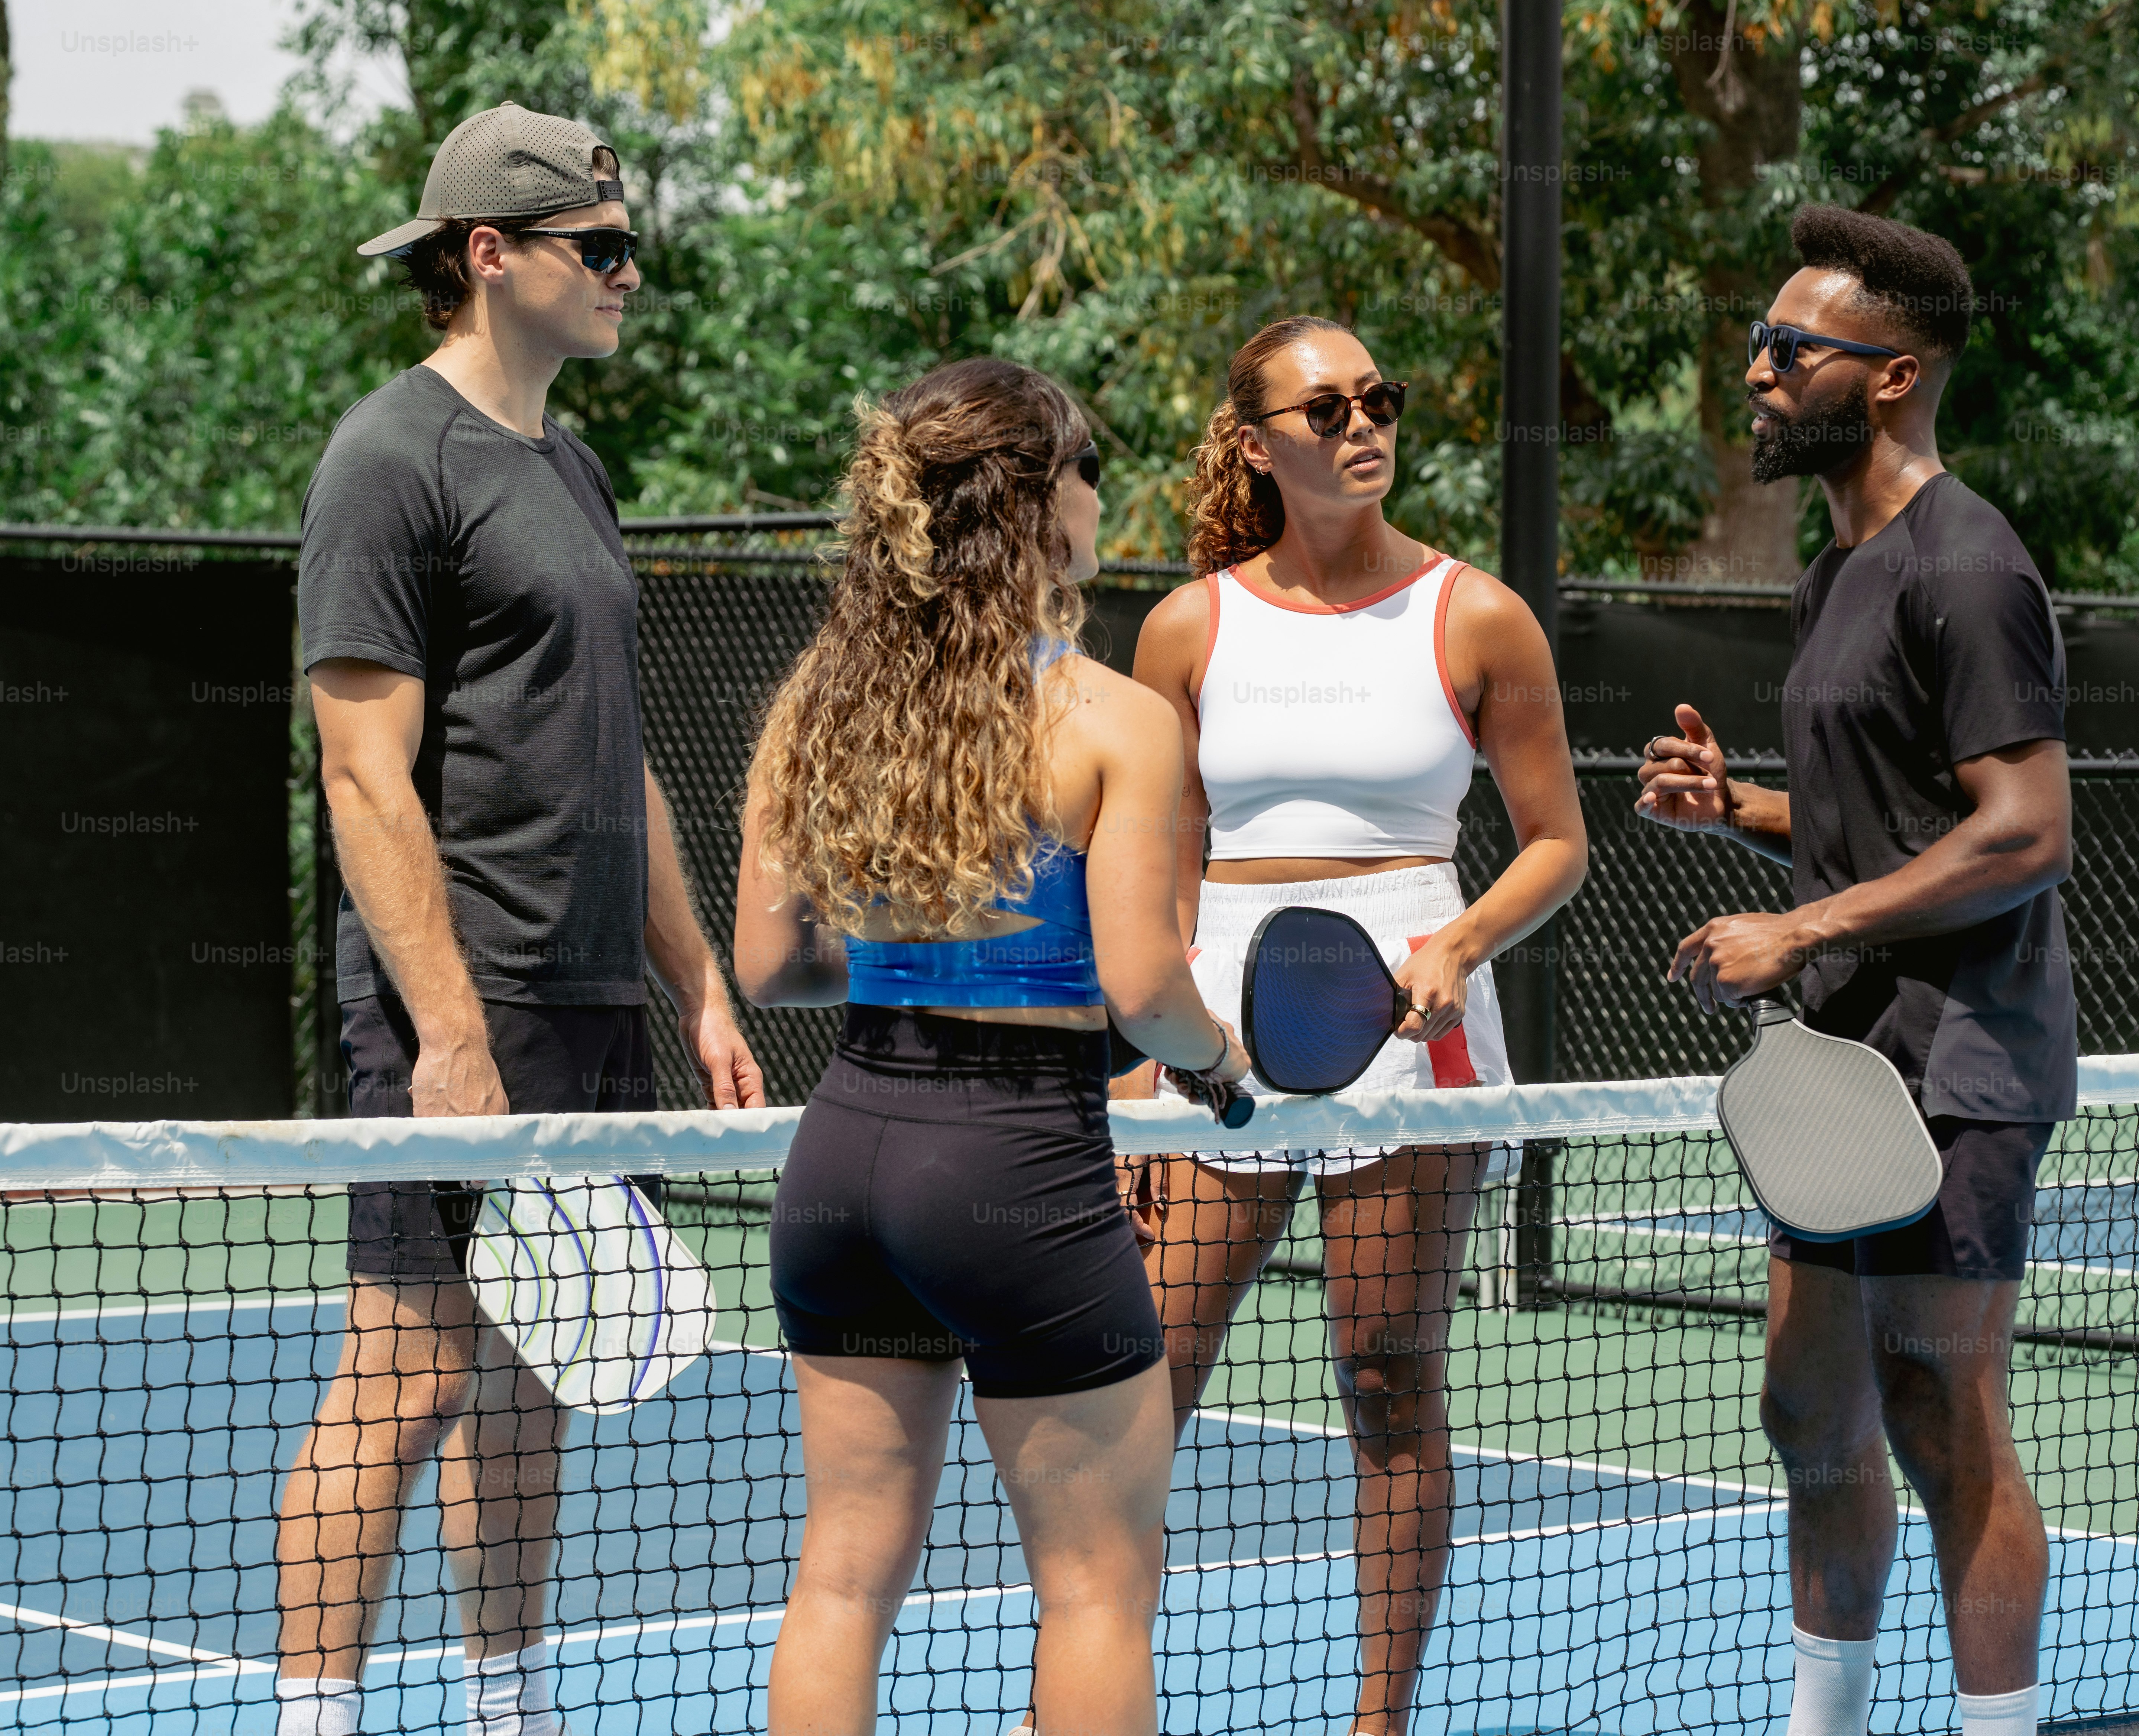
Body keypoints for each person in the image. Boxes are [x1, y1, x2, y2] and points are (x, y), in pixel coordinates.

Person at [279, 104, 767, 1736]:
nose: (629, 273)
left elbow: (619, 760)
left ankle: (509, 1709)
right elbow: (364, 773)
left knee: (538, 1372)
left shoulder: (573, 465)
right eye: (600, 247)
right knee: (407, 1374)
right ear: (488, 255)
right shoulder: (388, 459)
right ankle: (313, 1719)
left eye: (631, 246)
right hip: (463, 998)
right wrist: (450, 1038)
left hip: (594, 1001)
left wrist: (697, 984)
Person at [732, 356, 1251, 1736]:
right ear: (1032, 505)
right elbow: (1144, 992)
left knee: (843, 1575)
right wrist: (1218, 1056)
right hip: (1015, 1164)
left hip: (844, 1155)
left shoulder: (814, 702)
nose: (1101, 494)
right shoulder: (1116, 720)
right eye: (1087, 468)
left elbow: (772, 966)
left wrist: (922, 946)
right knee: (1096, 1589)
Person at [1636, 205, 2076, 1736]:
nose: (1758, 372)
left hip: (1960, 1059)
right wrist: (1744, 811)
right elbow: (1885, 821)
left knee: (1940, 1418)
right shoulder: (1836, 573)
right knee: (1809, 1412)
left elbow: (2026, 830)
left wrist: (1805, 928)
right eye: (1758, 343)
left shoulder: (1970, 563)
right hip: (1839, 1065)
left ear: (1890, 376)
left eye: (1788, 347)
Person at [1123, 315, 1588, 1736]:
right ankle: (1086, 1697)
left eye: (1378, 399)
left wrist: (1459, 940)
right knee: (1141, 1383)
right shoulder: (1186, 626)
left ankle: (1377, 1725)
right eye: (1325, 410)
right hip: (1219, 1021)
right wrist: (1152, 1040)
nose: (1363, 424)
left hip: (1410, 1023)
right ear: (1257, 443)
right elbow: (1162, 862)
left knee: (1388, 1374)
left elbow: (1557, 842)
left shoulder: (1480, 615)